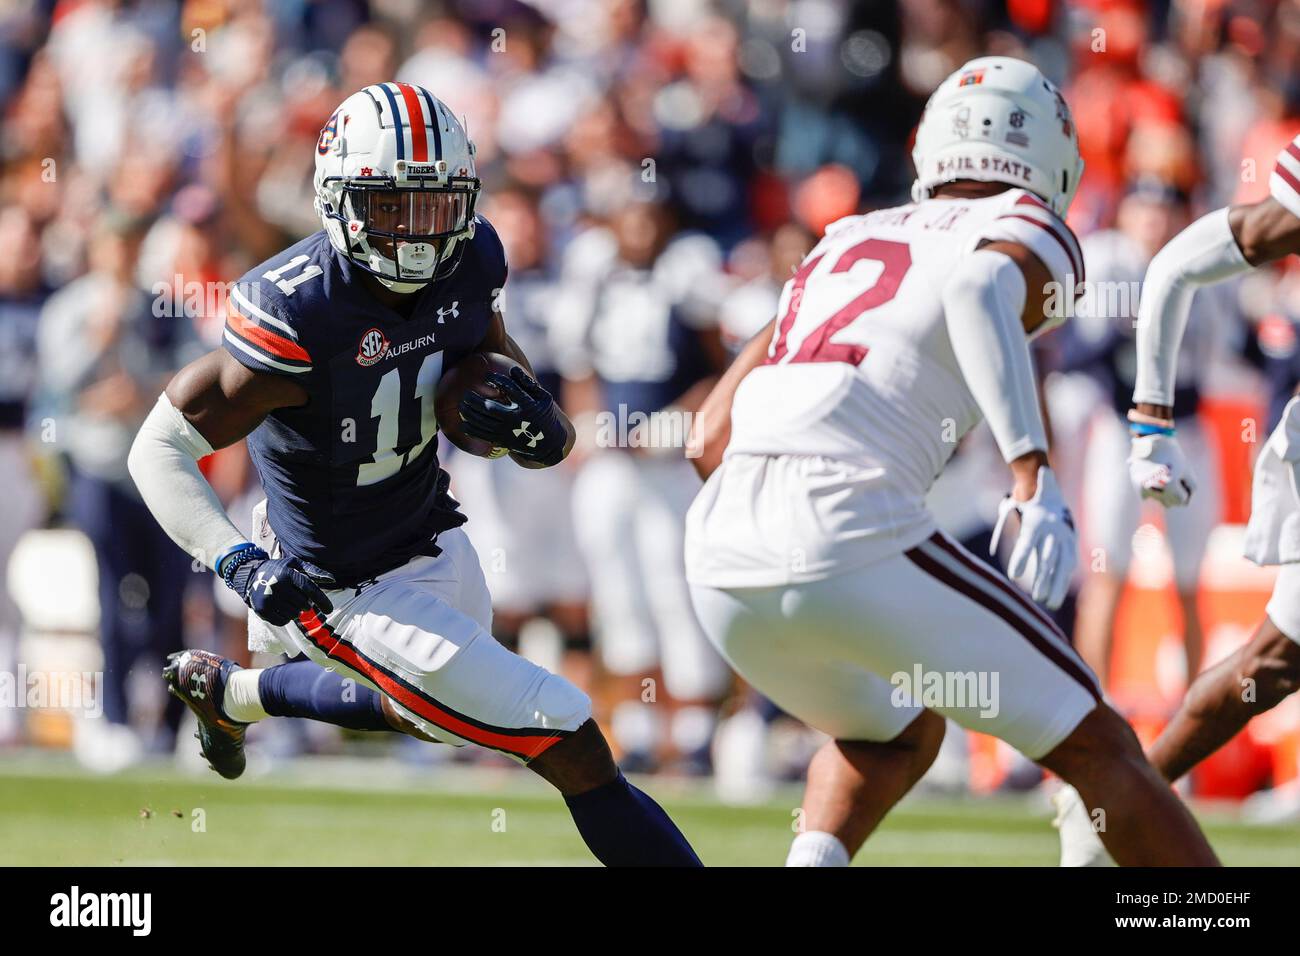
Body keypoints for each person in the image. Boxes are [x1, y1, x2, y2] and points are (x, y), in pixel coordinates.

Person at [128, 83, 700, 867]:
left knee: (430, 714)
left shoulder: (473, 261)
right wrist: (239, 562)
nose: (418, 234)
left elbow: (498, 371)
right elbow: (155, 450)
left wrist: (539, 427)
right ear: (339, 199)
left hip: (432, 537)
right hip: (335, 585)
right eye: (393, 207)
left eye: (436, 206)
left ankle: (231, 694)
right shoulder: (299, 310)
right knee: (569, 736)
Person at [683, 57, 1218, 867]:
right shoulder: (1025, 224)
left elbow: (705, 438)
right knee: (1098, 743)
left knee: (894, 732)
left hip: (717, 551)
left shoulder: (843, 239)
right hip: (842, 517)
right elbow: (976, 291)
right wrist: (1033, 475)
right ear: (1052, 154)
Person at [1055, 127, 1300, 865]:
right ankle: (1118, 797)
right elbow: (1178, 265)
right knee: (1274, 664)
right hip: (1142, 426)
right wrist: (1150, 416)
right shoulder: (1112, 259)